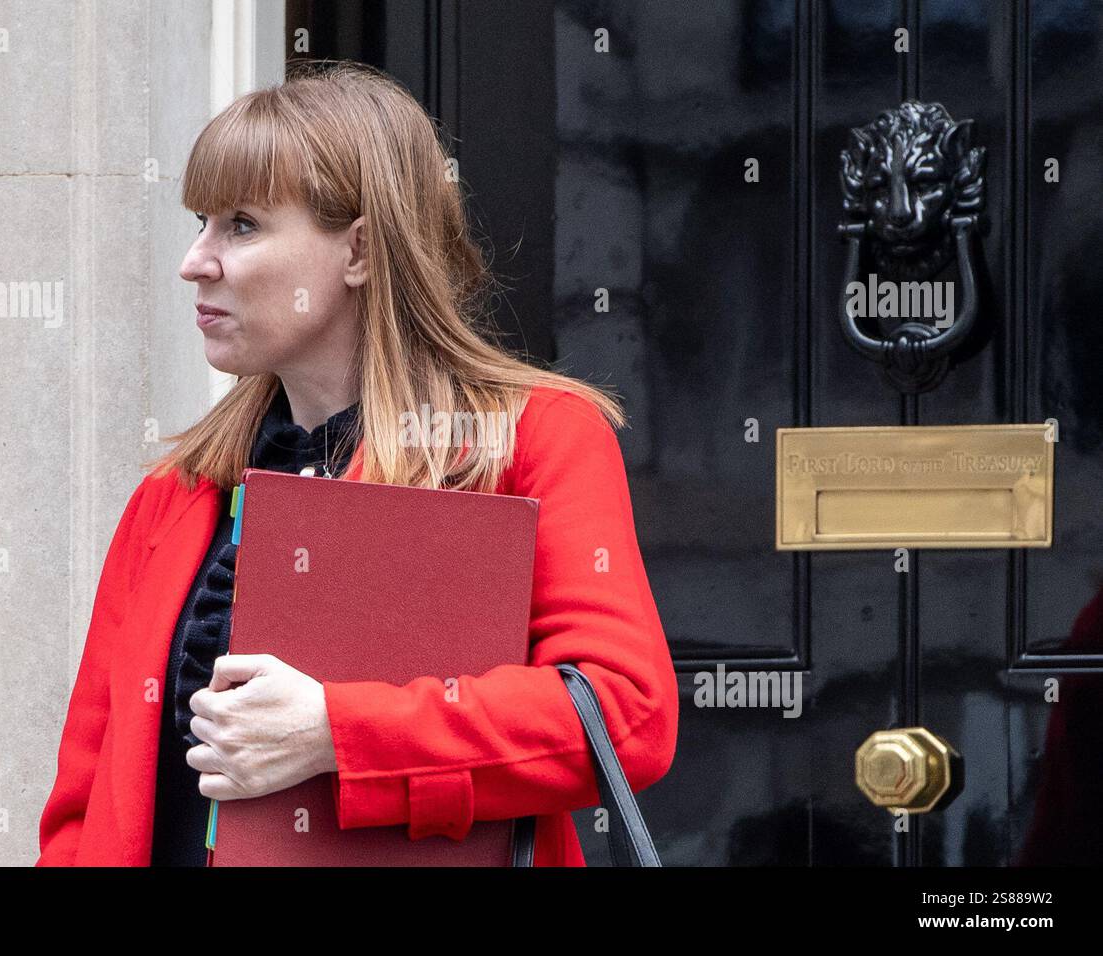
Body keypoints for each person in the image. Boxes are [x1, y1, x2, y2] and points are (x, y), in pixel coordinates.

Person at [36, 59, 677, 867]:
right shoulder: (174, 495)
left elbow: (626, 715)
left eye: (242, 225)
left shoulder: (534, 439)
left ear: (361, 252)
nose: (196, 261)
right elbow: (84, 807)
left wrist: (335, 734)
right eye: (200, 222)